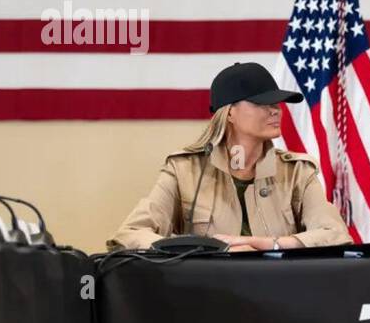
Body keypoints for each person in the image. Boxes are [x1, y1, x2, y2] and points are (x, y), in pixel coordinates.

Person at [108, 61, 352, 251]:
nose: (275, 110)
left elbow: (335, 234)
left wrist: (265, 244)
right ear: (230, 113)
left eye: (277, 103)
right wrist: (205, 251)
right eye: (262, 103)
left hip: (281, 295)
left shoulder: (298, 171)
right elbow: (130, 234)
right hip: (208, 296)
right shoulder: (184, 170)